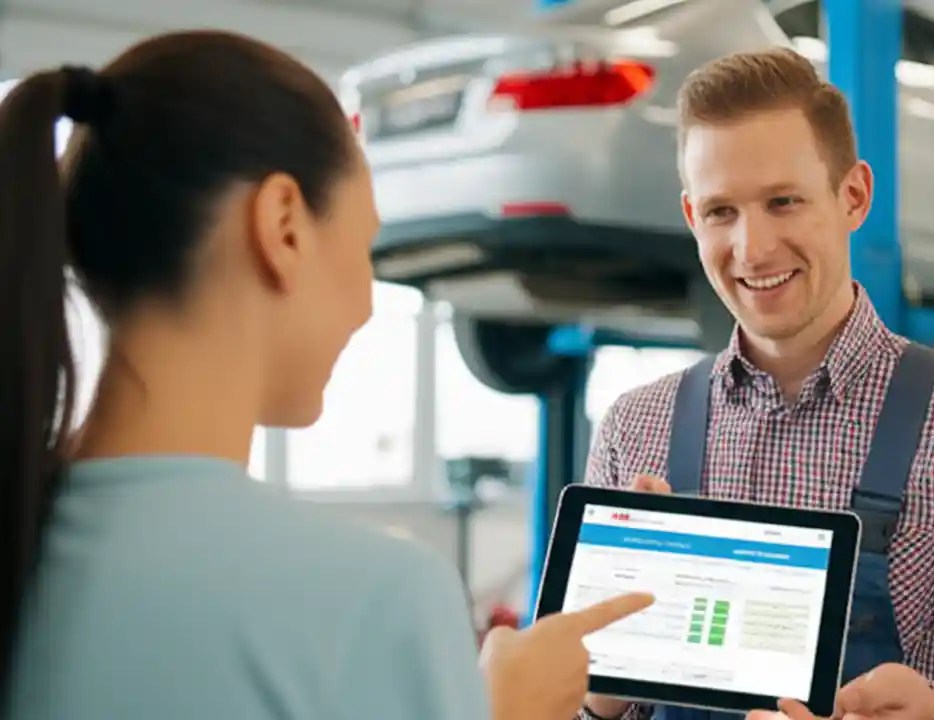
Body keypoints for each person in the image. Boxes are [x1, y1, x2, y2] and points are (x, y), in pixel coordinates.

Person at [0, 30, 651, 720]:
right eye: (364, 245)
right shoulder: (378, 597)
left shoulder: (26, 538)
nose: (368, 303)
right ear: (282, 225)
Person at [579, 47, 934, 720]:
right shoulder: (633, 431)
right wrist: (601, 695)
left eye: (783, 202)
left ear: (853, 196)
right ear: (692, 218)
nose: (753, 248)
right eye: (722, 211)